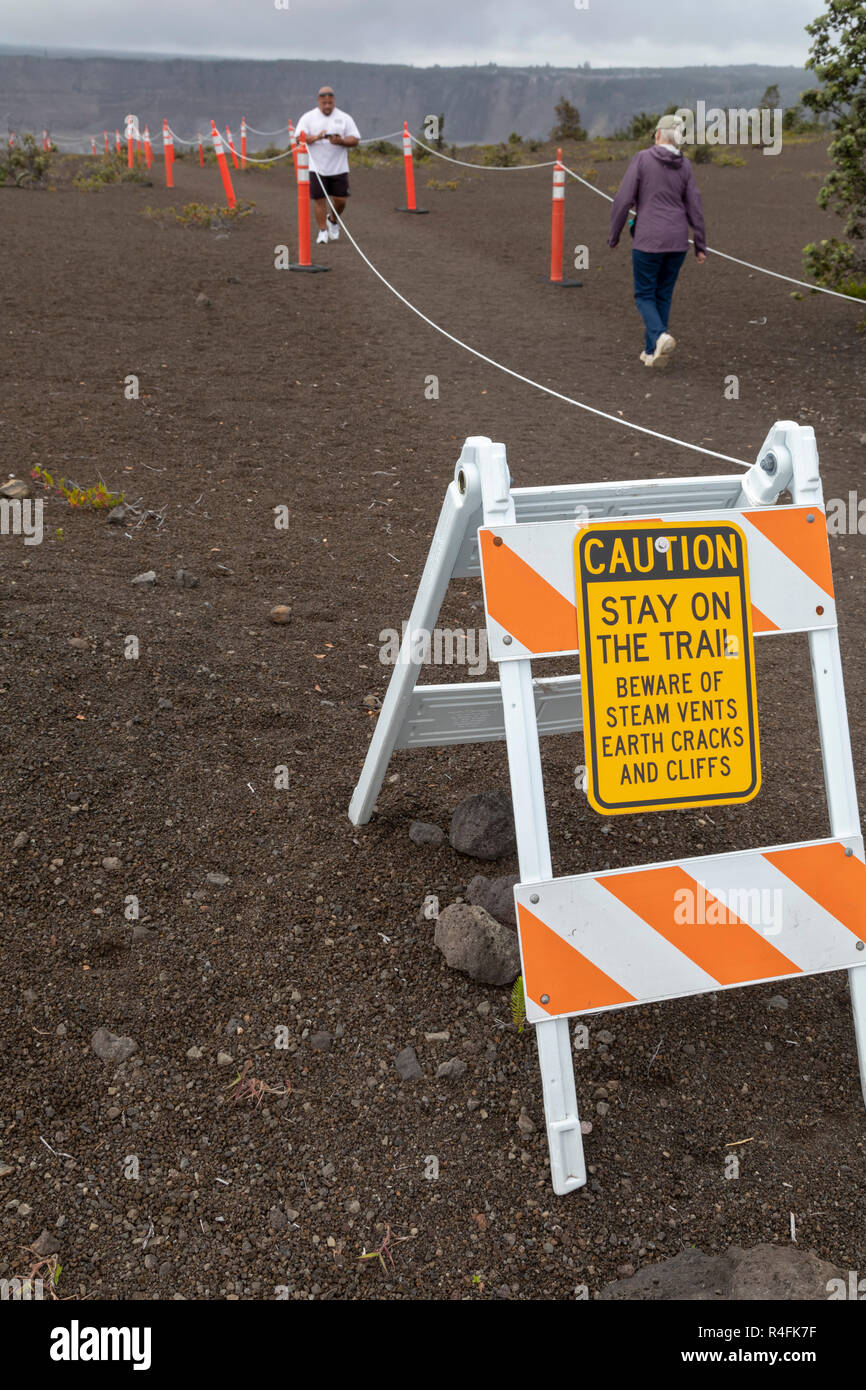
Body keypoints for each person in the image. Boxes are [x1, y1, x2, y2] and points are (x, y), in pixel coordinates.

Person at [608, 114, 707, 368]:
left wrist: (614, 234)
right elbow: (695, 205)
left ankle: (660, 336)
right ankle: (652, 351)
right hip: (677, 243)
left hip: (648, 240)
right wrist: (700, 244)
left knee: (643, 295)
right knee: (662, 294)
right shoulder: (685, 166)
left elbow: (623, 199)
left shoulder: (643, 159)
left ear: (659, 134)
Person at [296, 86, 361, 244]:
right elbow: (299, 139)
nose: (327, 106)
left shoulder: (344, 117)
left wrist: (341, 141)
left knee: (341, 200)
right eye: (324, 103)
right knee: (319, 199)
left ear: (334, 101)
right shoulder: (308, 117)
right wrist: (316, 137)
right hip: (316, 167)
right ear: (319, 101)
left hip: (338, 167)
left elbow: (355, 139)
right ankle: (322, 231)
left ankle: (332, 219)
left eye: (330, 103)